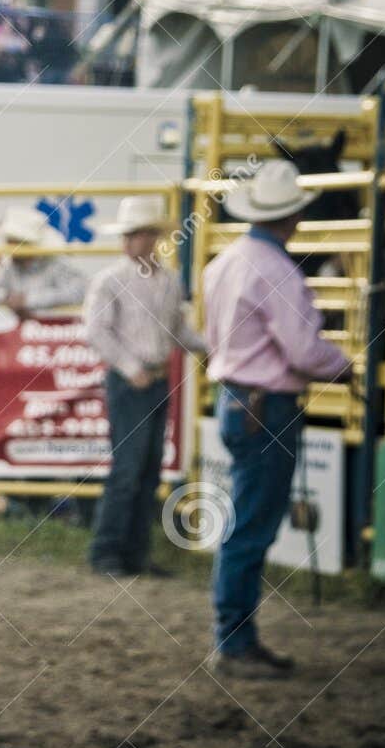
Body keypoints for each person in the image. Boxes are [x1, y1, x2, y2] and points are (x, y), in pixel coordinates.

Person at [201, 161, 350, 677]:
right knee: (252, 524)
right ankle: (235, 641)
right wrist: (346, 367)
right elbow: (304, 351)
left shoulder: (224, 263)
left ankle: (235, 635)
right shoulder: (277, 269)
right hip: (268, 406)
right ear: (293, 216)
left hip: (238, 399)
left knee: (247, 519)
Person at [83, 195, 204, 577]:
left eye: (135, 234)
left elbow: (178, 329)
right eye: (129, 235)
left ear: (152, 237)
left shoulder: (169, 282)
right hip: (130, 381)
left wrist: (210, 346)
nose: (129, 241)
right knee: (129, 467)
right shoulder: (111, 281)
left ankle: (132, 553)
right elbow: (96, 332)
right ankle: (108, 551)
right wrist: (131, 367)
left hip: (154, 379)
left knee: (148, 469)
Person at [0, 207, 87, 316]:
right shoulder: (10, 267)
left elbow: (79, 292)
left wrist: (29, 300)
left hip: (53, 329)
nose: (8, 248)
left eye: (13, 243)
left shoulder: (56, 264)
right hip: (29, 331)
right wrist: (6, 297)